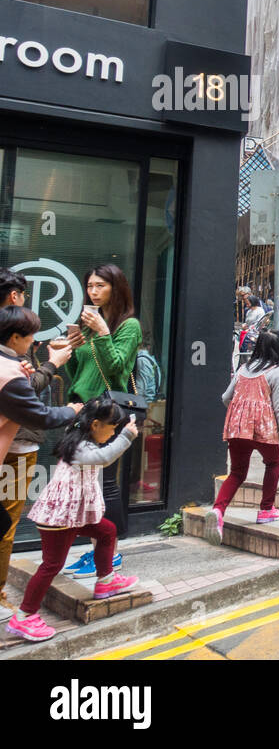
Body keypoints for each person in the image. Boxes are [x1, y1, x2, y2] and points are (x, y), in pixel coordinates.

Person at [7, 398, 138, 642]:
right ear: (95, 424)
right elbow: (104, 458)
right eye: (112, 427)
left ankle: (106, 581)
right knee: (51, 566)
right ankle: (24, 617)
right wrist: (127, 436)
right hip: (61, 517)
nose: (113, 433)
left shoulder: (80, 436)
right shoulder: (82, 447)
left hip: (72, 514)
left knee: (107, 531)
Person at [0, 305, 82, 621]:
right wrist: (73, 411)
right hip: (19, 448)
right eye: (31, 336)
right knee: (5, 523)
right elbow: (42, 415)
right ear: (16, 336)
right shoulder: (10, 373)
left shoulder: (10, 365)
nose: (33, 342)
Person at [61, 264, 142, 547]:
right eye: (90, 286)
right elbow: (80, 374)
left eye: (100, 286)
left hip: (106, 414)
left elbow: (116, 369)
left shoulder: (128, 326)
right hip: (82, 410)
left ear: (115, 288)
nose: (93, 292)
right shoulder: (90, 323)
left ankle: (111, 551)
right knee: (84, 484)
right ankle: (97, 551)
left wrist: (104, 332)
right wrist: (70, 350)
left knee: (105, 483)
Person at [204, 329, 279, 545]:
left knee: (236, 472)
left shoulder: (243, 369)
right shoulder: (277, 372)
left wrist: (240, 411)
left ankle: (218, 510)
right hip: (263, 429)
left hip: (237, 428)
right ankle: (266, 510)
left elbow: (226, 397)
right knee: (273, 462)